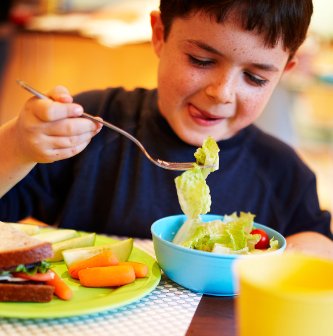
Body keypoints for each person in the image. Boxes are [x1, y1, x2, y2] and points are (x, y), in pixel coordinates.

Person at [0, 0, 332, 258]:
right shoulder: (93, 125)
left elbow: (318, 244)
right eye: (201, 60)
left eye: (256, 78)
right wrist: (18, 145)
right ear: (160, 35)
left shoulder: (283, 172)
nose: (222, 92)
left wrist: (305, 252)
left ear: (284, 71)